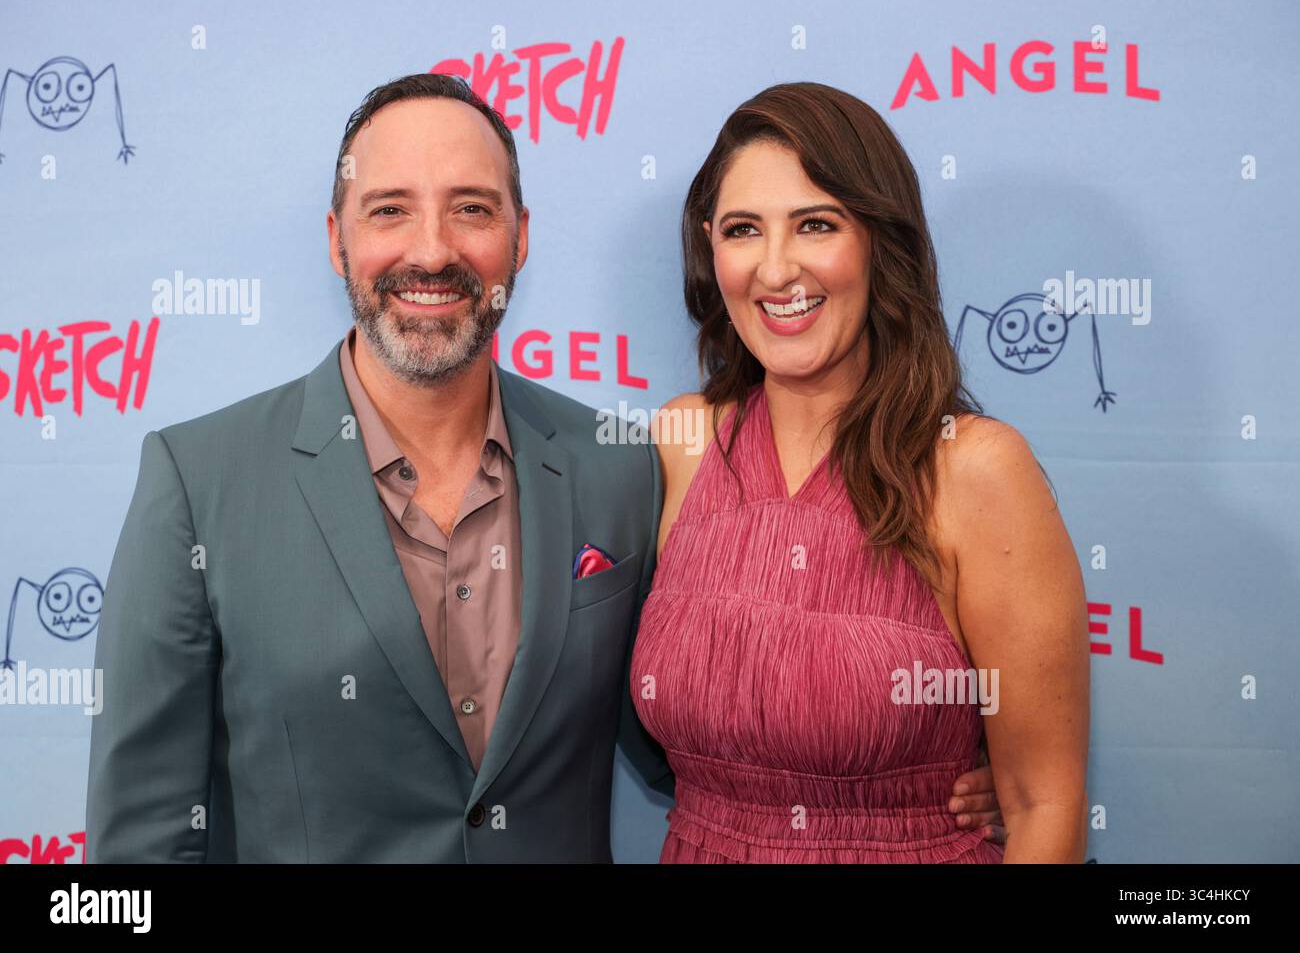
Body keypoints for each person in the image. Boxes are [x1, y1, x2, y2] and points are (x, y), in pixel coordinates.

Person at [86, 73, 1004, 862]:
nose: (433, 250)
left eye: (472, 210)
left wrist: (916, 780)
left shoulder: (618, 467)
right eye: (390, 209)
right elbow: (138, 849)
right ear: (337, 240)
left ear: (520, 238)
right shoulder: (198, 483)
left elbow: (693, 723)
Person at [631, 82, 1089, 863]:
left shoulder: (973, 469)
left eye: (816, 224)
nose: (777, 270)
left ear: (880, 241)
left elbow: (1044, 804)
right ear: (711, 250)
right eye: (744, 230)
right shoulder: (682, 441)